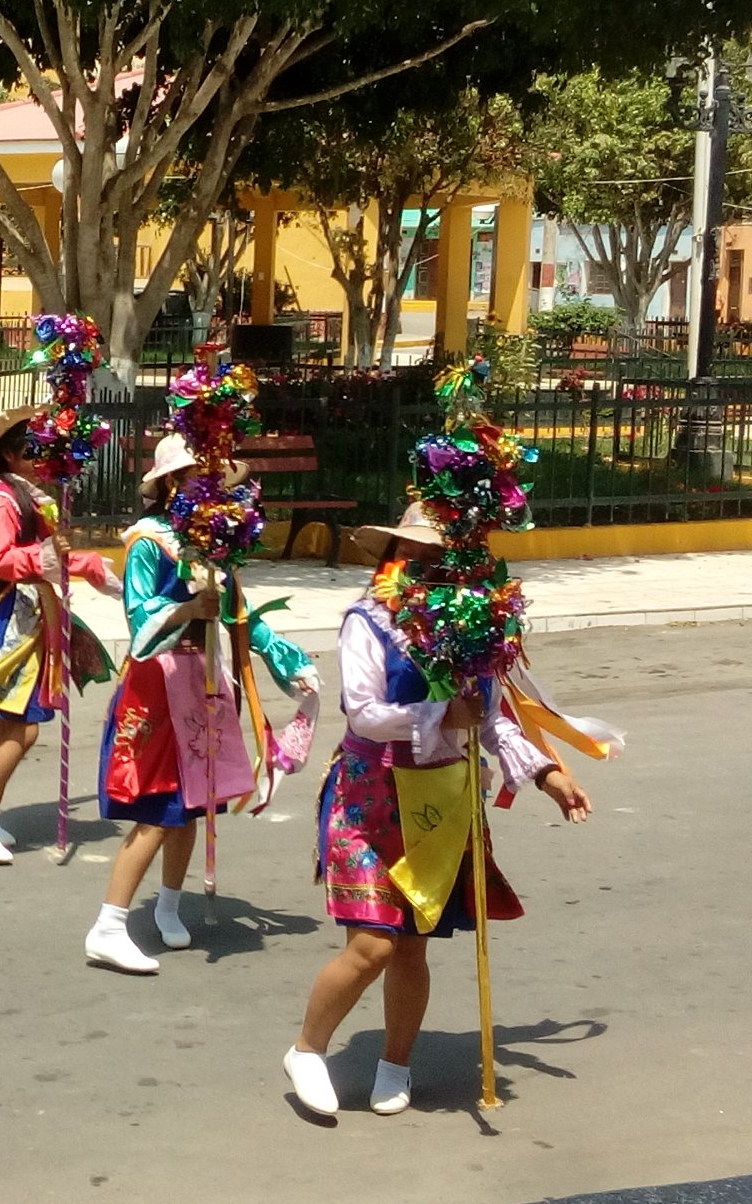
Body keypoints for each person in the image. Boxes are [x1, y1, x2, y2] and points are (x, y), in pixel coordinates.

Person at [283, 505, 593, 1118]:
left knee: (412, 946)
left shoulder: (474, 633)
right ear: (396, 554)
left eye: (445, 557)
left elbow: (492, 717)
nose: (432, 568)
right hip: (369, 795)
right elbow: (363, 711)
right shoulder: (367, 622)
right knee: (372, 944)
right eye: (420, 554)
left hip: (441, 799)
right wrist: (435, 716)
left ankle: (396, 1062)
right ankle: (307, 1050)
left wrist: (545, 773)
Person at [87, 433, 318, 974]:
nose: (207, 487)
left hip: (205, 686)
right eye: (196, 476)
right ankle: (109, 924)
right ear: (170, 482)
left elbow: (243, 619)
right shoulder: (148, 543)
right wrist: (189, 608)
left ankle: (168, 904)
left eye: (213, 478)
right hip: (159, 688)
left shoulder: (216, 546)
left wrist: (290, 664)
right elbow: (140, 623)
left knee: (191, 805)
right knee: (157, 811)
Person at [0, 405, 117, 864]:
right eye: (31, 449)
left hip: (30, 614)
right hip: (9, 623)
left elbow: (50, 557)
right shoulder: (3, 498)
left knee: (7, 727)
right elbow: (2, 558)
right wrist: (46, 555)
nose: (38, 457)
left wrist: (90, 567)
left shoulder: (25, 493)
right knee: (21, 732)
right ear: (9, 453)